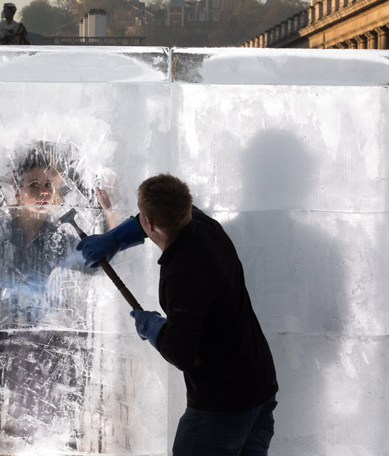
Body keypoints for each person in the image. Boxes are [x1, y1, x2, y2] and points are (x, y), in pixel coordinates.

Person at [76, 173, 279, 456]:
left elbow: (181, 351)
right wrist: (115, 239)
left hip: (223, 405)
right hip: (260, 387)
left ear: (149, 222)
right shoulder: (205, 226)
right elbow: (156, 218)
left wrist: (154, 328)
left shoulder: (182, 271)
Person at [0, 141, 114, 453]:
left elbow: (97, 262)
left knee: (47, 431)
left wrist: (108, 212)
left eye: (48, 185)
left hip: (51, 346)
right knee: (10, 432)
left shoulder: (60, 238)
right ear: (17, 190)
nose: (42, 192)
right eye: (33, 184)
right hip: (7, 345)